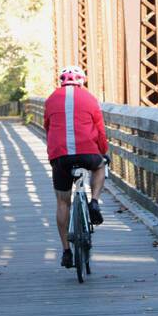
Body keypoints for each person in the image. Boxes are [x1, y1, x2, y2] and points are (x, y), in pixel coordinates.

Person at [43, 65, 109, 269]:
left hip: (61, 156)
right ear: (81, 81)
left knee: (63, 202)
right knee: (99, 166)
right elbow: (100, 131)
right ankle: (95, 201)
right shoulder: (90, 98)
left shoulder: (51, 99)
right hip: (87, 153)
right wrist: (104, 152)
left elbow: (48, 127)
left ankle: (65, 251)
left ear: (62, 82)